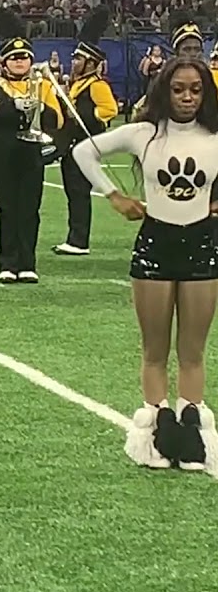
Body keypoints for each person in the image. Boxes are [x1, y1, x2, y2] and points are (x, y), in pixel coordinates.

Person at [71, 56, 218, 473]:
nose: (187, 97)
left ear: (205, 93)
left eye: (195, 89)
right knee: (154, 349)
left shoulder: (215, 137)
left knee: (192, 351)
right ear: (164, 91)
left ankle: (192, 434)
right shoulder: (143, 134)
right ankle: (157, 430)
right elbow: (84, 152)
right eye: (178, 89)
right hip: (155, 244)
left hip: (202, 245)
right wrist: (114, 196)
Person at [0, 9, 63, 284]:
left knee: (30, 209)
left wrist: (39, 104)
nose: (20, 61)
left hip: (31, 153)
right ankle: (8, 262)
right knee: (8, 209)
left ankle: (28, 263)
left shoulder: (43, 85)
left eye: (24, 57)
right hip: (4, 151)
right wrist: (16, 105)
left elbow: (56, 120)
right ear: (5, 62)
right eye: (14, 57)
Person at [51, 7, 118, 257]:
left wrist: (84, 119)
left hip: (85, 145)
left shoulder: (97, 85)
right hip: (73, 146)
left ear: (90, 62)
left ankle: (79, 240)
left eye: (78, 59)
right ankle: (74, 237)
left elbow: (109, 110)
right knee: (73, 193)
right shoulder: (77, 83)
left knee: (79, 193)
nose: (74, 62)